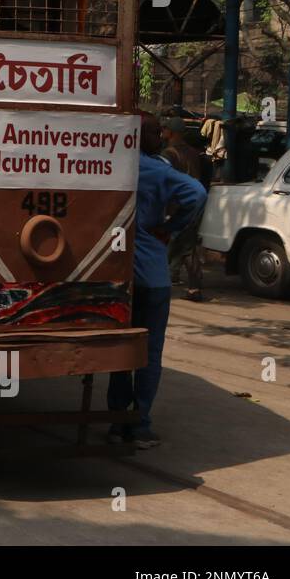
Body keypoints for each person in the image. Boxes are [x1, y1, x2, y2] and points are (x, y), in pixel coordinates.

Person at [109, 114, 207, 450]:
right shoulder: (154, 168)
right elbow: (196, 193)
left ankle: (116, 419)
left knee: (120, 350)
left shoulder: (106, 163)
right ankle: (140, 425)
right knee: (148, 353)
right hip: (150, 273)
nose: (160, 137)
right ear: (139, 136)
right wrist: (171, 227)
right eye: (153, 132)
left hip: (112, 273)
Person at [160, 116, 208, 302]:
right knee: (189, 247)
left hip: (175, 206)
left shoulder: (168, 154)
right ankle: (194, 287)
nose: (163, 132)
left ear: (171, 132)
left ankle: (159, 284)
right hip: (194, 205)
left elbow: (165, 182)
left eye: (165, 129)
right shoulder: (193, 153)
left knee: (166, 245)